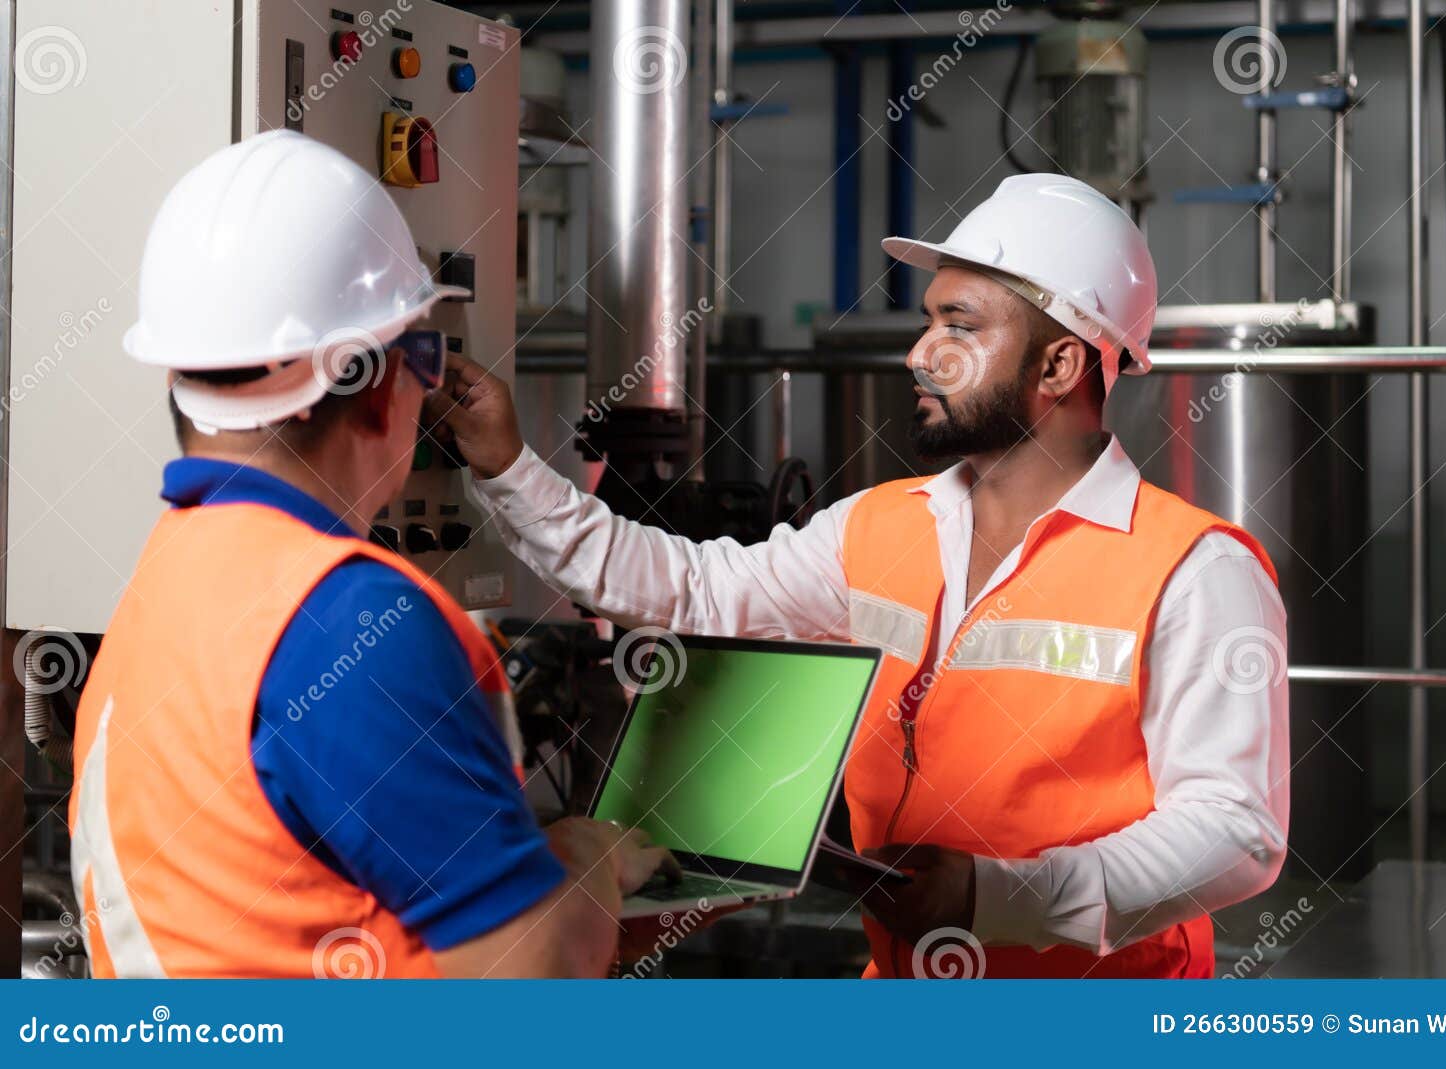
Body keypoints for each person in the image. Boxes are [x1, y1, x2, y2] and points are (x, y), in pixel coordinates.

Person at [430, 174, 1291, 979]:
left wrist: (998, 895)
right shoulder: (879, 524)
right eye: (928, 321)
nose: (920, 353)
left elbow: (1235, 831)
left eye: (959, 326)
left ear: (1059, 367)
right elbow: (688, 588)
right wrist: (508, 466)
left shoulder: (1192, 569)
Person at [67, 130, 668, 979]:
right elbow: (529, 987)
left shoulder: (164, 579)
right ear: (383, 387)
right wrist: (590, 870)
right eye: (427, 354)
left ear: (179, 381)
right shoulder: (353, 618)